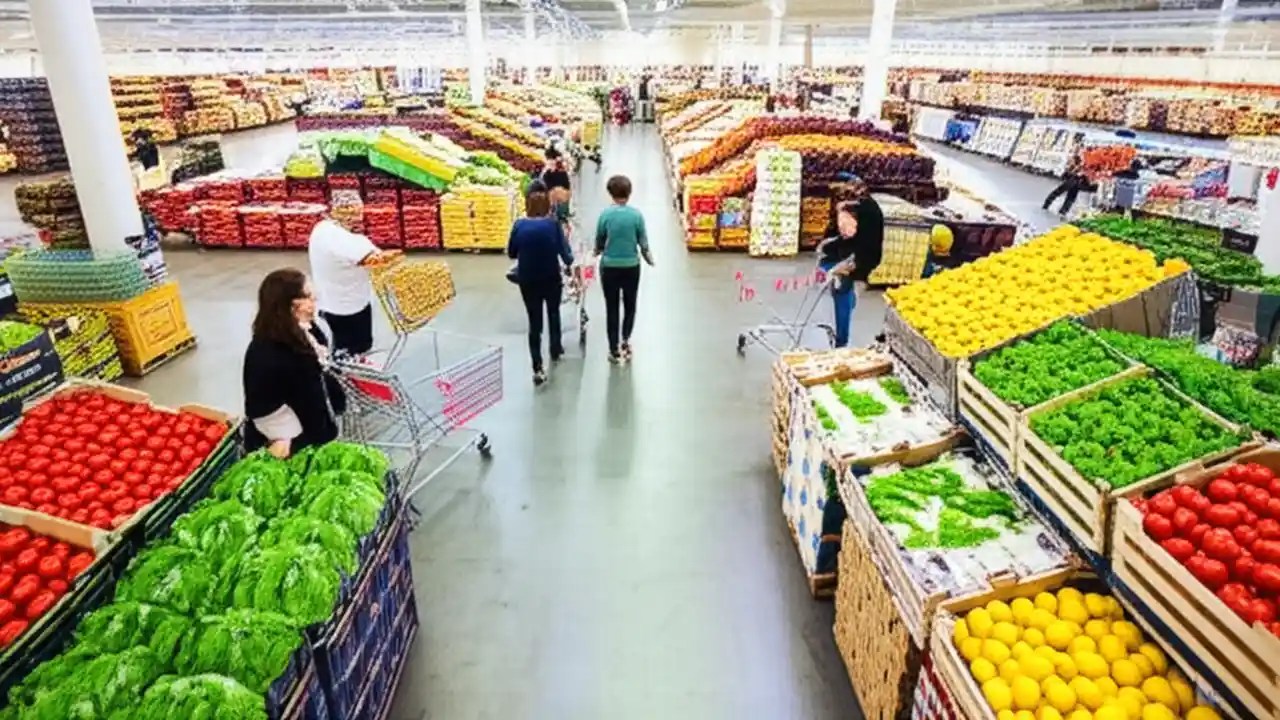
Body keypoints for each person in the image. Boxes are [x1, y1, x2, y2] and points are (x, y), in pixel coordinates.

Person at [242, 268, 346, 458]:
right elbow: (311, 405)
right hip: (282, 429)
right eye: (307, 296)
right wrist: (327, 436)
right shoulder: (288, 355)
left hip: (286, 412)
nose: (314, 299)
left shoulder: (286, 331)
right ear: (290, 306)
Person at [307, 213, 399, 357]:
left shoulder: (322, 229)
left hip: (329, 302)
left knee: (336, 346)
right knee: (352, 349)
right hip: (348, 307)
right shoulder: (349, 243)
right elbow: (378, 262)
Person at [508, 191, 574, 385]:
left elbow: (512, 252)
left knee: (534, 321)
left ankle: (537, 366)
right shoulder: (553, 225)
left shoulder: (519, 225)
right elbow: (565, 254)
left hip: (528, 279)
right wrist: (570, 262)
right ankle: (555, 349)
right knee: (553, 312)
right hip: (551, 277)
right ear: (547, 206)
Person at [594, 175, 654, 363]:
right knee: (630, 304)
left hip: (609, 266)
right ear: (629, 193)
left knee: (612, 307)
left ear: (610, 194)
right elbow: (643, 241)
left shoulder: (605, 215)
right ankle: (625, 340)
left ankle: (613, 349)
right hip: (631, 266)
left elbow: (599, 240)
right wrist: (648, 257)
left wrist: (596, 251)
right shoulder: (636, 216)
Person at [816, 203, 860, 348]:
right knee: (843, 297)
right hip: (834, 265)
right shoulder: (837, 231)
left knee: (845, 299)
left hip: (840, 266)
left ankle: (842, 341)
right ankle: (841, 342)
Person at [1044, 149, 1086, 216]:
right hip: (1076, 183)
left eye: (1072, 160)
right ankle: (1063, 211)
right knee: (1070, 197)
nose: (1070, 160)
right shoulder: (1078, 166)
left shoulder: (1076, 166)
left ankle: (1047, 204)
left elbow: (1068, 174)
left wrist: (1072, 171)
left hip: (1072, 181)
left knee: (1058, 193)